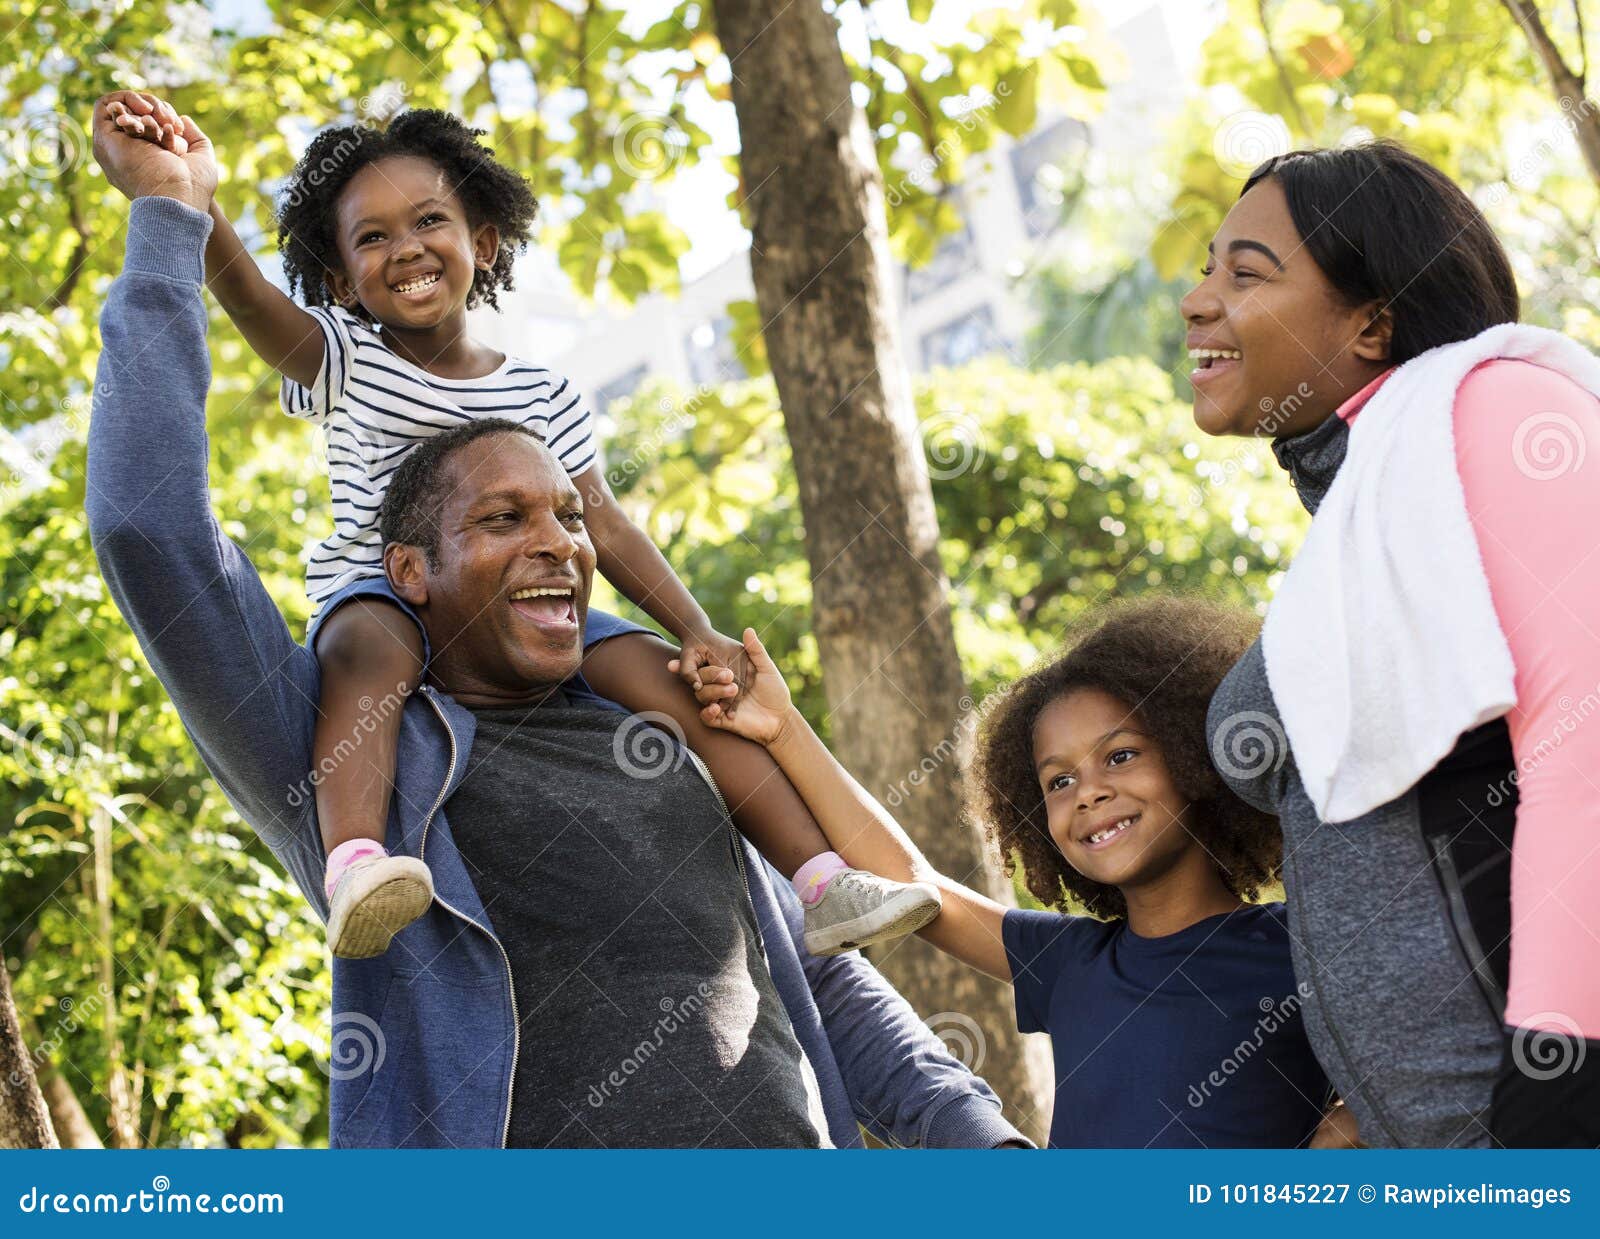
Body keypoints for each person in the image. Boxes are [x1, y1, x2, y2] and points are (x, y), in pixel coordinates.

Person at [84, 94, 1028, 1150]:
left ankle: (826, 871)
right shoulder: (349, 745)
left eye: (563, 517)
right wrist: (177, 209)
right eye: (500, 518)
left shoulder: (660, 739)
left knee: (672, 671)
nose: (559, 543)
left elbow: (818, 988)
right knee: (370, 658)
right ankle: (352, 862)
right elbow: (147, 523)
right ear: (418, 569)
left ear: (481, 243)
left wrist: (974, 1141)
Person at [1185, 139, 1600, 1146]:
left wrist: (1562, 1068)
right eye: (1206, 267)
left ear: (1373, 321)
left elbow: (1583, 735)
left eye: (1244, 274)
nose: (1199, 301)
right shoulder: (1362, 516)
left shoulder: (1500, 404)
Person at [685, 601, 1344, 1148]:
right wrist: (783, 729)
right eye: (1059, 779)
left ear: (1193, 757)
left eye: (1119, 755)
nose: (1088, 791)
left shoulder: (1299, 942)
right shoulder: (1069, 961)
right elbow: (913, 882)